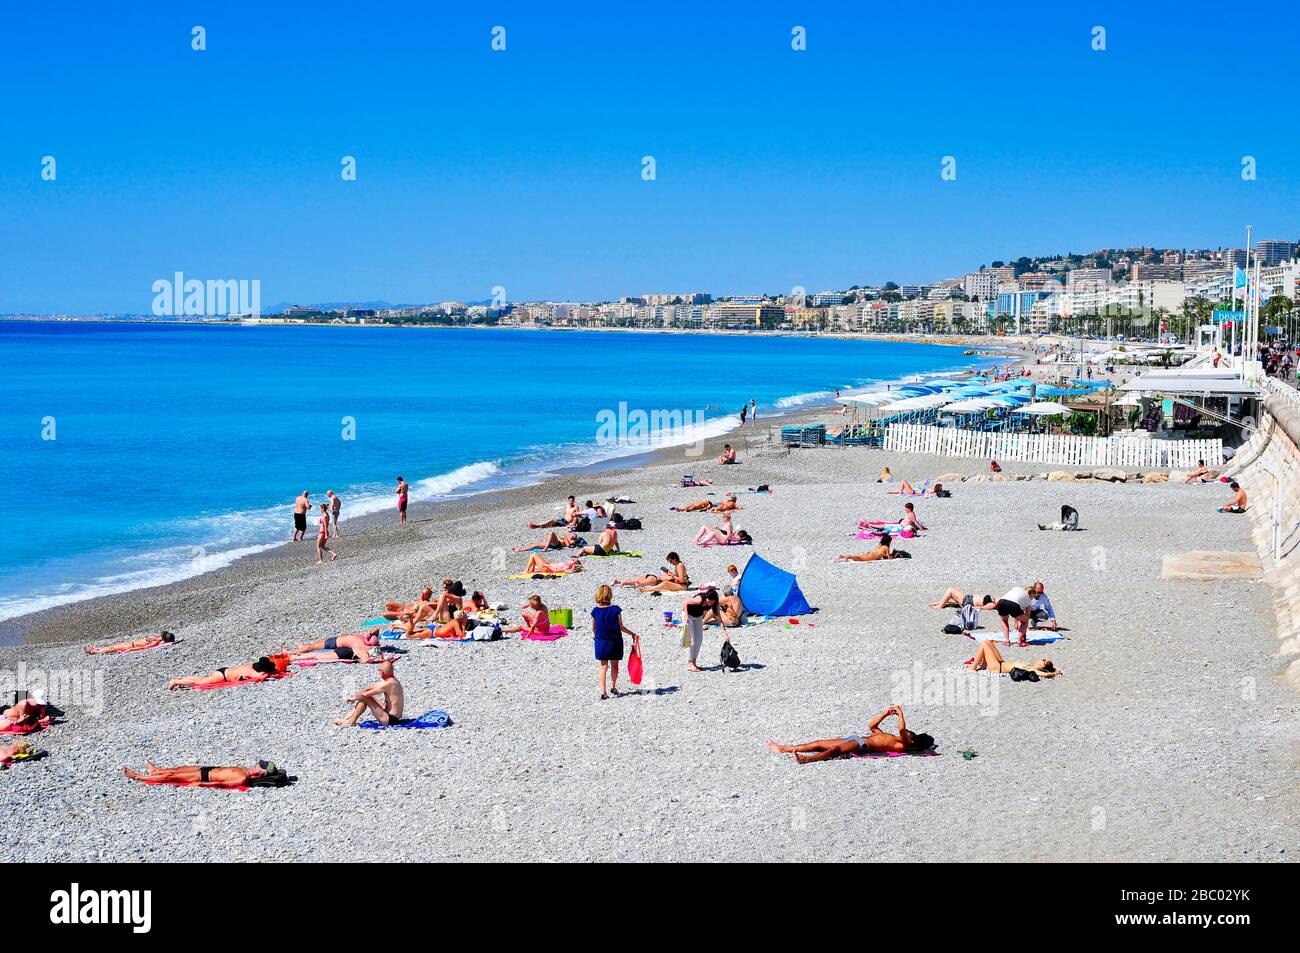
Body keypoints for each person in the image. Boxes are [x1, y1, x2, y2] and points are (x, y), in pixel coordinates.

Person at [766, 705, 933, 764]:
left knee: (836, 750)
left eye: (911, 734)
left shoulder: (902, 744)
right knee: (819, 743)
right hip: (857, 739)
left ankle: (806, 759)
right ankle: (784, 748)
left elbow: (902, 730)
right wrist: (885, 713)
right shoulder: (890, 737)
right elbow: (872, 725)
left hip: (862, 745)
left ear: (912, 739)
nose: (908, 732)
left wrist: (901, 714)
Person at [592, 585, 640, 700]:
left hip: (601, 641)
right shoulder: (616, 609)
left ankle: (602, 692)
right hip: (615, 641)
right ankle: (613, 687)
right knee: (615, 664)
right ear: (610, 595)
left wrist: (597, 637)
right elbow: (621, 626)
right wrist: (632, 634)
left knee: (603, 666)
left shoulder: (595, 611)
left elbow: (593, 628)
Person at [334, 659, 405, 726]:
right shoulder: (392, 681)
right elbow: (373, 686)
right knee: (366, 696)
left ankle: (352, 721)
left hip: (390, 719)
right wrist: (359, 693)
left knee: (366, 698)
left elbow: (365, 695)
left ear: (382, 673)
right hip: (390, 715)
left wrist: (352, 698)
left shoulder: (389, 683)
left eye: (379, 671)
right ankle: (347, 719)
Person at [124, 760, 276, 788]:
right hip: (208, 769)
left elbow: (222, 783)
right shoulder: (244, 770)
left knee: (172, 778)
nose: (256, 764)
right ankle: (156, 770)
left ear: (260, 772)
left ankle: (139, 777)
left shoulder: (243, 778)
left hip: (204, 777)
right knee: (180, 769)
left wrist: (201, 783)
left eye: (259, 765)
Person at [167, 655, 286, 690]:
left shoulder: (250, 665)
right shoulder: (251, 671)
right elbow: (262, 676)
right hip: (223, 676)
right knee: (201, 683)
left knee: (202, 679)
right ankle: (176, 681)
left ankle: (182, 679)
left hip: (225, 671)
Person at [682, 588, 730, 673]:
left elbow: (719, 620)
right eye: (709, 601)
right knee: (690, 639)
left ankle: (694, 662)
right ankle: (690, 663)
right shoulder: (700, 598)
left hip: (698, 617)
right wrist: (685, 615)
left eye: (712, 602)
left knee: (699, 640)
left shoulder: (715, 604)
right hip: (688, 615)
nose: (709, 603)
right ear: (706, 597)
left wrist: (725, 634)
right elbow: (685, 602)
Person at [967, 640, 1061, 678]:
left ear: (1043, 665)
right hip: (1001, 662)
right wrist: (1056, 669)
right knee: (988, 641)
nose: (1042, 659)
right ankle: (983, 664)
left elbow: (1044, 674)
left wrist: (1053, 673)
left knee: (983, 644)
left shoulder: (1032, 669)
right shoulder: (1031, 665)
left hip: (997, 667)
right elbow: (1049, 669)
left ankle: (973, 668)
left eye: (1043, 660)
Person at [614, 551, 689, 592]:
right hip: (658, 579)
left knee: (665, 583)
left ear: (674, 559)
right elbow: (679, 577)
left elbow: (682, 579)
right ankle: (621, 581)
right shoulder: (677, 565)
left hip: (683, 586)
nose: (670, 563)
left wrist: (672, 576)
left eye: (670, 561)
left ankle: (647, 589)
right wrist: (669, 573)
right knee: (639, 580)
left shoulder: (680, 566)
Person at [292, 631, 380, 662]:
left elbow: (363, 657)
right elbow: (365, 658)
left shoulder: (360, 642)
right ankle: (296, 655)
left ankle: (294, 655)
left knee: (314, 651)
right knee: (315, 653)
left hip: (338, 645)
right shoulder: (363, 644)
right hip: (340, 648)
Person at [84, 631, 176, 655]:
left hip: (132, 645)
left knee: (112, 648)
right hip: (131, 643)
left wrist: (129, 650)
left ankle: (94, 651)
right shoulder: (156, 638)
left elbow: (143, 648)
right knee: (112, 646)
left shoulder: (155, 643)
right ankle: (97, 649)